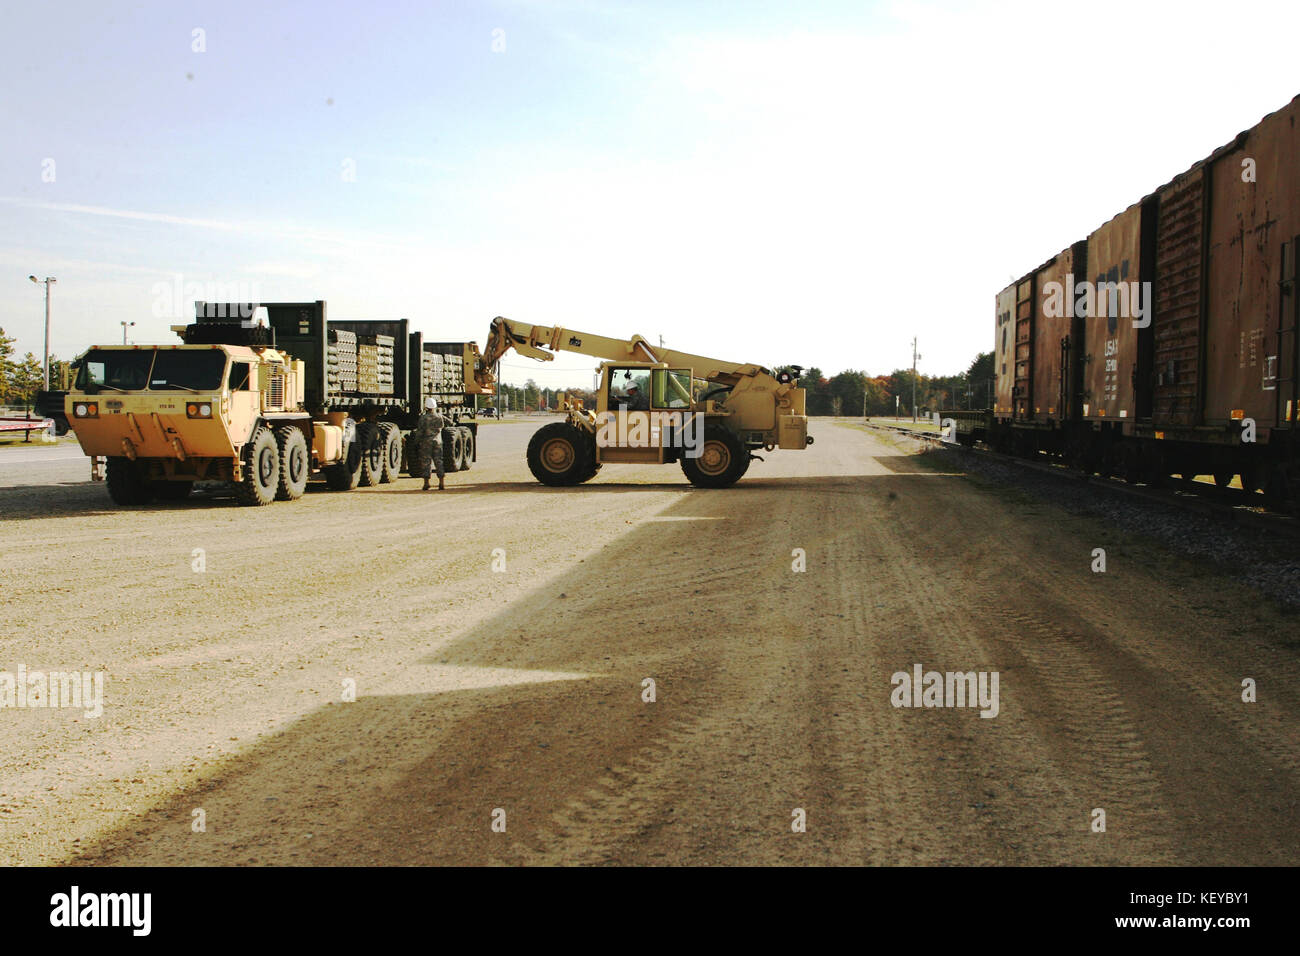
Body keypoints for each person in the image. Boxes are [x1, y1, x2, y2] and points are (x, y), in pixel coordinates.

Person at [413, 396, 446, 491]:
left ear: (426, 407)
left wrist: (416, 442)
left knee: (426, 462)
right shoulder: (439, 417)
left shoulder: (423, 418)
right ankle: (441, 483)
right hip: (438, 441)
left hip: (426, 442)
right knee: (439, 461)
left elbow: (420, 431)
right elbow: (442, 427)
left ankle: (426, 483)